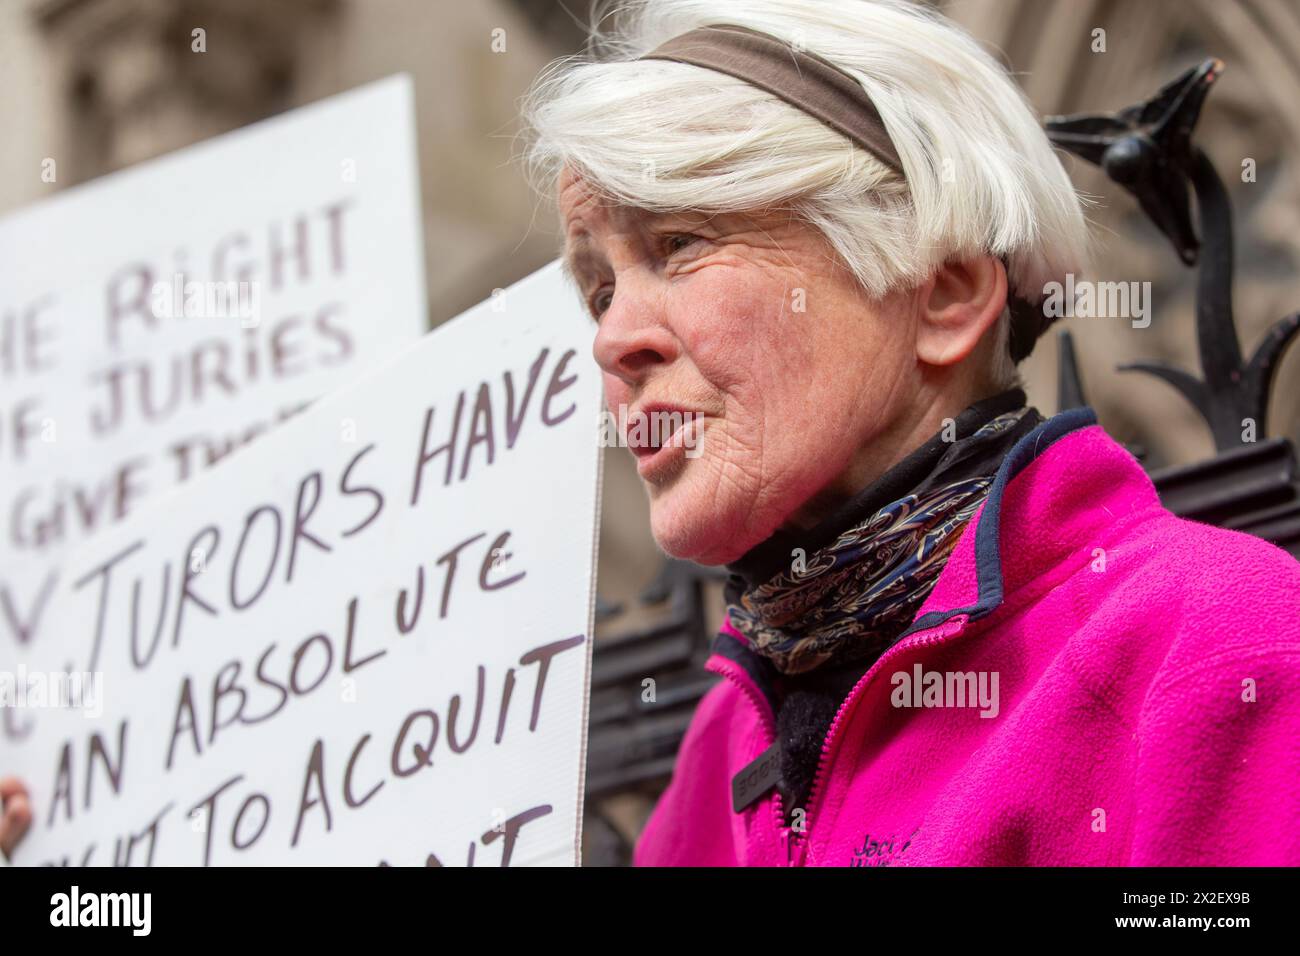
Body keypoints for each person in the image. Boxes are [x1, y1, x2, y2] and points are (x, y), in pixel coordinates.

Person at [522, 0, 1300, 864]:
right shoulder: (720, 744)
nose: (611, 339)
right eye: (599, 291)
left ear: (945, 296)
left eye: (679, 243)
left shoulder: (1212, 642)